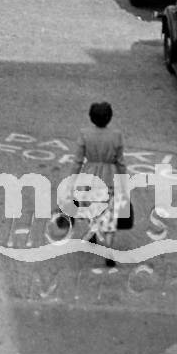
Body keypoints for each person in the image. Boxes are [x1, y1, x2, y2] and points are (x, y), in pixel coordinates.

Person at [70, 102, 124, 268]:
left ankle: (93, 233)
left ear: (91, 117)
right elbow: (121, 162)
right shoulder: (116, 135)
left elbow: (78, 160)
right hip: (109, 179)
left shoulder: (84, 134)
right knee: (108, 216)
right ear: (110, 117)